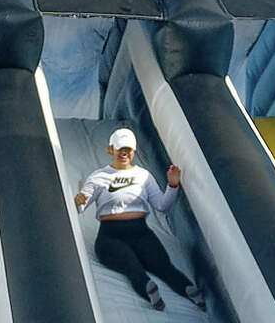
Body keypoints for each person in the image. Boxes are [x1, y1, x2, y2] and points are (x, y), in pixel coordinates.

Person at [74, 128, 204, 312]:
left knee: (163, 265)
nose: (124, 153)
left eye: (128, 150)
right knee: (130, 264)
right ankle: (149, 290)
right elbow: (81, 205)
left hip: (140, 232)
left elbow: (161, 205)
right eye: (120, 149)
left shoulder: (143, 176)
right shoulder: (98, 177)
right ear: (111, 149)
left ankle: (190, 292)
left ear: (134, 152)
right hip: (110, 235)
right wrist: (79, 201)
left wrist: (173, 185)